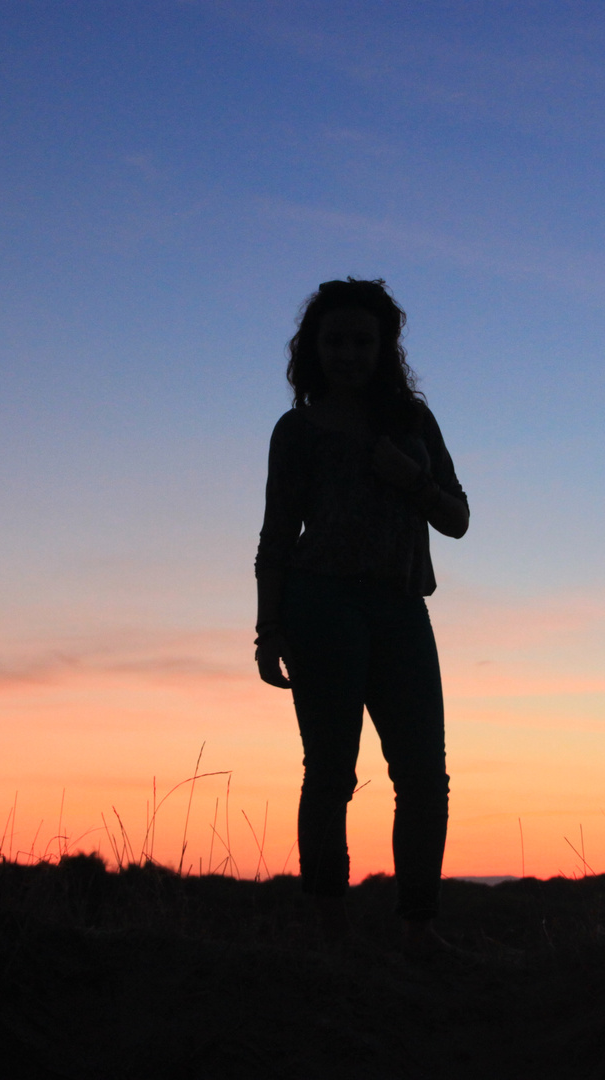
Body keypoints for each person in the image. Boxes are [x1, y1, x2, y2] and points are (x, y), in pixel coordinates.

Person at [254, 278, 469, 959]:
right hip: (320, 607)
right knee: (331, 773)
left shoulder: (413, 422)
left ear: (384, 349)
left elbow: (458, 518)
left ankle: (419, 930)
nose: (349, 353)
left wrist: (410, 477)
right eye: (336, 341)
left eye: (362, 341)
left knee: (424, 777)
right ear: (314, 349)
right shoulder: (298, 431)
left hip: (402, 606)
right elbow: (276, 536)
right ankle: (331, 930)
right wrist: (268, 630)